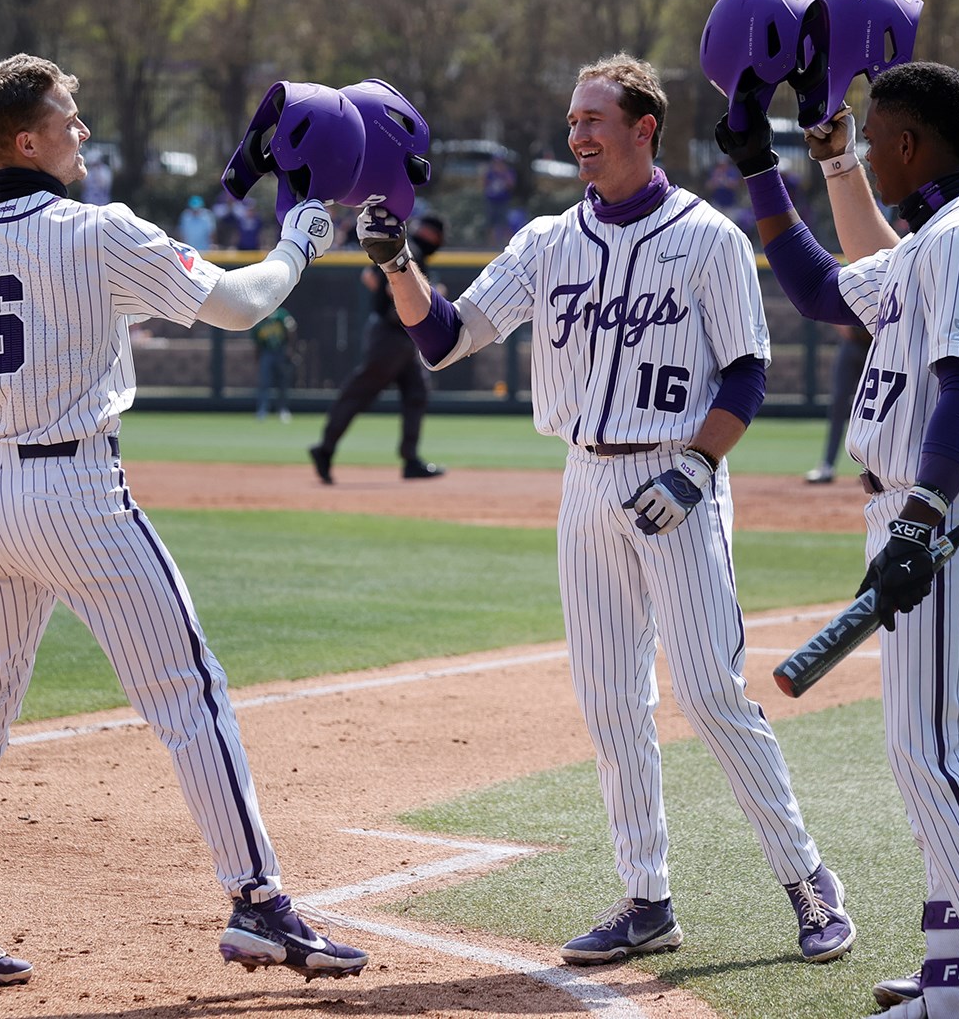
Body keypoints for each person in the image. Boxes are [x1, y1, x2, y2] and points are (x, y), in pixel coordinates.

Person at [366, 52, 854, 968]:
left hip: (678, 474)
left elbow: (747, 371)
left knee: (711, 692)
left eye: (593, 119)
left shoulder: (707, 237)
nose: (577, 135)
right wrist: (398, 263)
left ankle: (808, 880)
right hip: (586, 483)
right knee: (611, 703)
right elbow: (445, 337)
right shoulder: (546, 242)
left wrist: (699, 466)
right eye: (572, 121)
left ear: (643, 128)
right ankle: (645, 897)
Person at [0, 53, 365, 988]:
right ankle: (258, 900)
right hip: (75, 491)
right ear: (25, 141)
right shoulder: (97, 228)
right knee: (190, 693)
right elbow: (237, 305)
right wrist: (301, 242)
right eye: (67, 117)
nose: (82, 130)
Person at [725, 61, 959, 1019]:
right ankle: (955, 986)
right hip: (930, 511)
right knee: (938, 755)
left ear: (911, 144)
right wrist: (760, 168)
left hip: (946, 515)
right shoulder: (934, 241)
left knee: (935, 756)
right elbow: (821, 291)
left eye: (876, 138)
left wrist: (920, 518)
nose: (868, 152)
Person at [307, 214, 447, 481]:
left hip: (399, 336)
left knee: (416, 392)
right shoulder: (414, 252)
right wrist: (430, 294)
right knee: (360, 391)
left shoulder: (405, 248)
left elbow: (369, 277)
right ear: (432, 234)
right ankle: (324, 449)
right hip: (390, 337)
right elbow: (393, 290)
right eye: (438, 236)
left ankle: (410, 460)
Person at [804, 323, 872, 483]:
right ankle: (827, 465)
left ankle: (871, 467)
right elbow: (832, 307)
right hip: (850, 344)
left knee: (871, 407)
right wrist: (842, 326)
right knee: (838, 405)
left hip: (874, 346)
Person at [252, 305, 296, 422]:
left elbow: (292, 329)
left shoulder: (280, 314)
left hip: (280, 351)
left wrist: (290, 348)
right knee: (264, 383)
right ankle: (262, 409)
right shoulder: (258, 319)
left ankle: (283, 409)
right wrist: (256, 359)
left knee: (282, 382)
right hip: (266, 353)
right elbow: (257, 343)